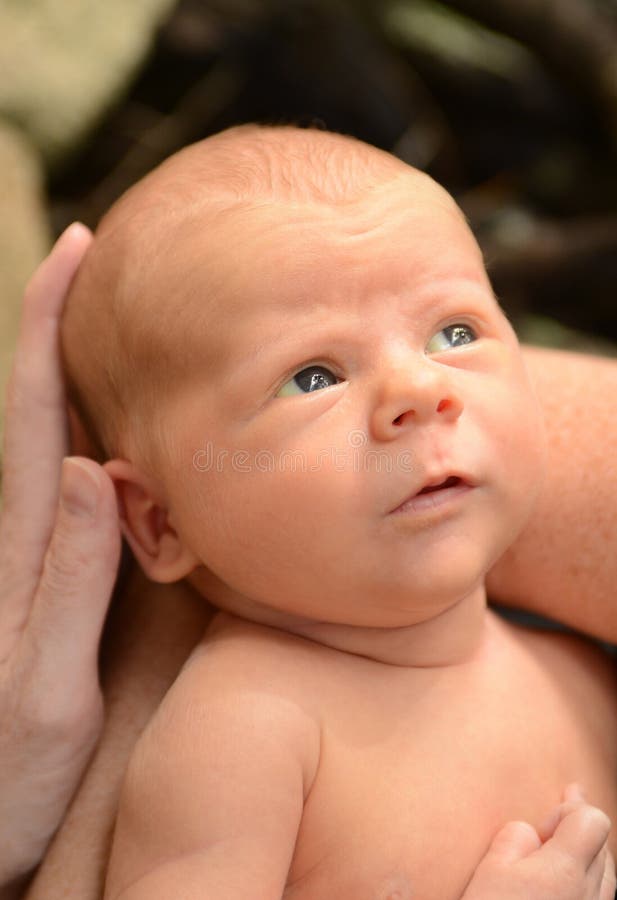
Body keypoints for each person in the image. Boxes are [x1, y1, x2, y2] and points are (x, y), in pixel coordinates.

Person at [56, 123, 617, 899]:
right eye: (313, 377)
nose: (420, 390)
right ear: (159, 520)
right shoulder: (245, 738)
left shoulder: (580, 671)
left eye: (453, 332)